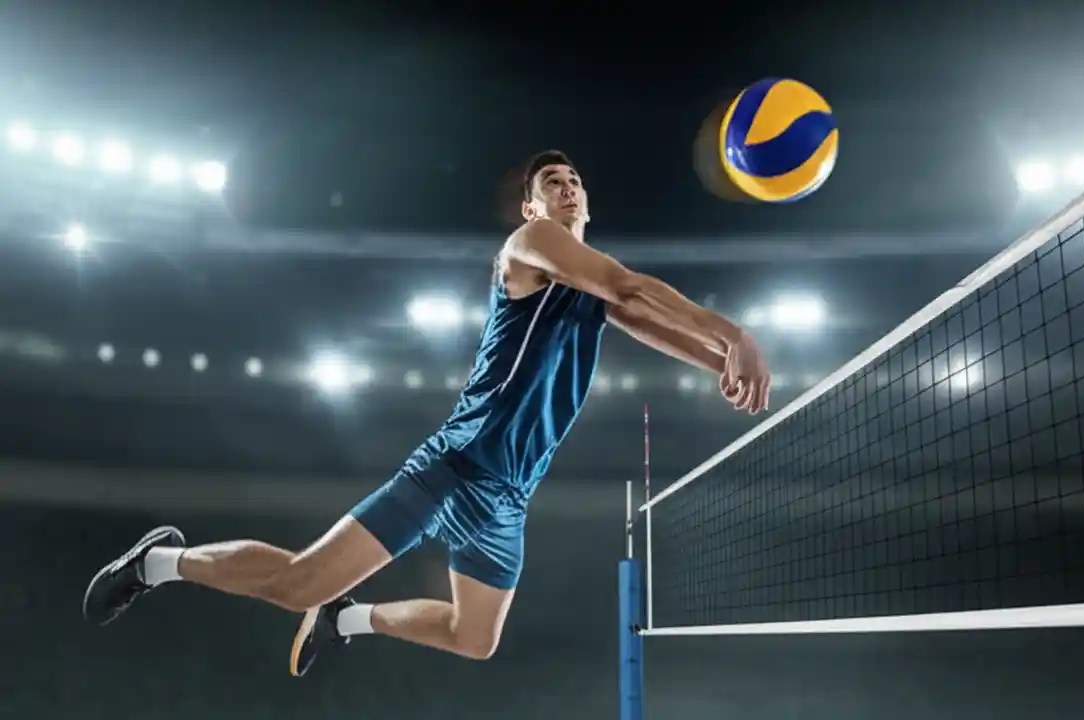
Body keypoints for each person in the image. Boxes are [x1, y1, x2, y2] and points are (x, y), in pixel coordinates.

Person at [81, 149, 771, 676]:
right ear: (531, 207)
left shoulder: (592, 285)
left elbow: (638, 313)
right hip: (454, 467)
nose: (567, 187)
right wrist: (735, 334)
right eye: (552, 182)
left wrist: (720, 362)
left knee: (474, 638)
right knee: (297, 583)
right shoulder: (531, 246)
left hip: (506, 498)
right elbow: (629, 287)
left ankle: (346, 621)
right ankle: (156, 563)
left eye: (574, 180)